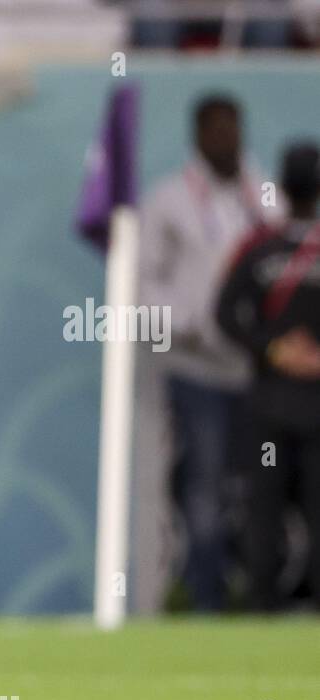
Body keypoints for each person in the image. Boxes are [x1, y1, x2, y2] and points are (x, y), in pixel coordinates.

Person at [137, 94, 269, 610]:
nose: (229, 141)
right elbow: (141, 284)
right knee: (205, 489)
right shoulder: (168, 201)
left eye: (235, 129)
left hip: (260, 370)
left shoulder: (264, 196)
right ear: (197, 136)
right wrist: (187, 325)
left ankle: (260, 597)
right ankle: (206, 600)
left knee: (262, 490)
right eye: (218, 131)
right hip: (197, 370)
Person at [216, 142, 320, 610]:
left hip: (270, 401)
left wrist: (272, 348)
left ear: (281, 188)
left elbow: (224, 313)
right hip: (300, 401)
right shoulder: (263, 247)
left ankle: (261, 606)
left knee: (264, 508)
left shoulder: (259, 248)